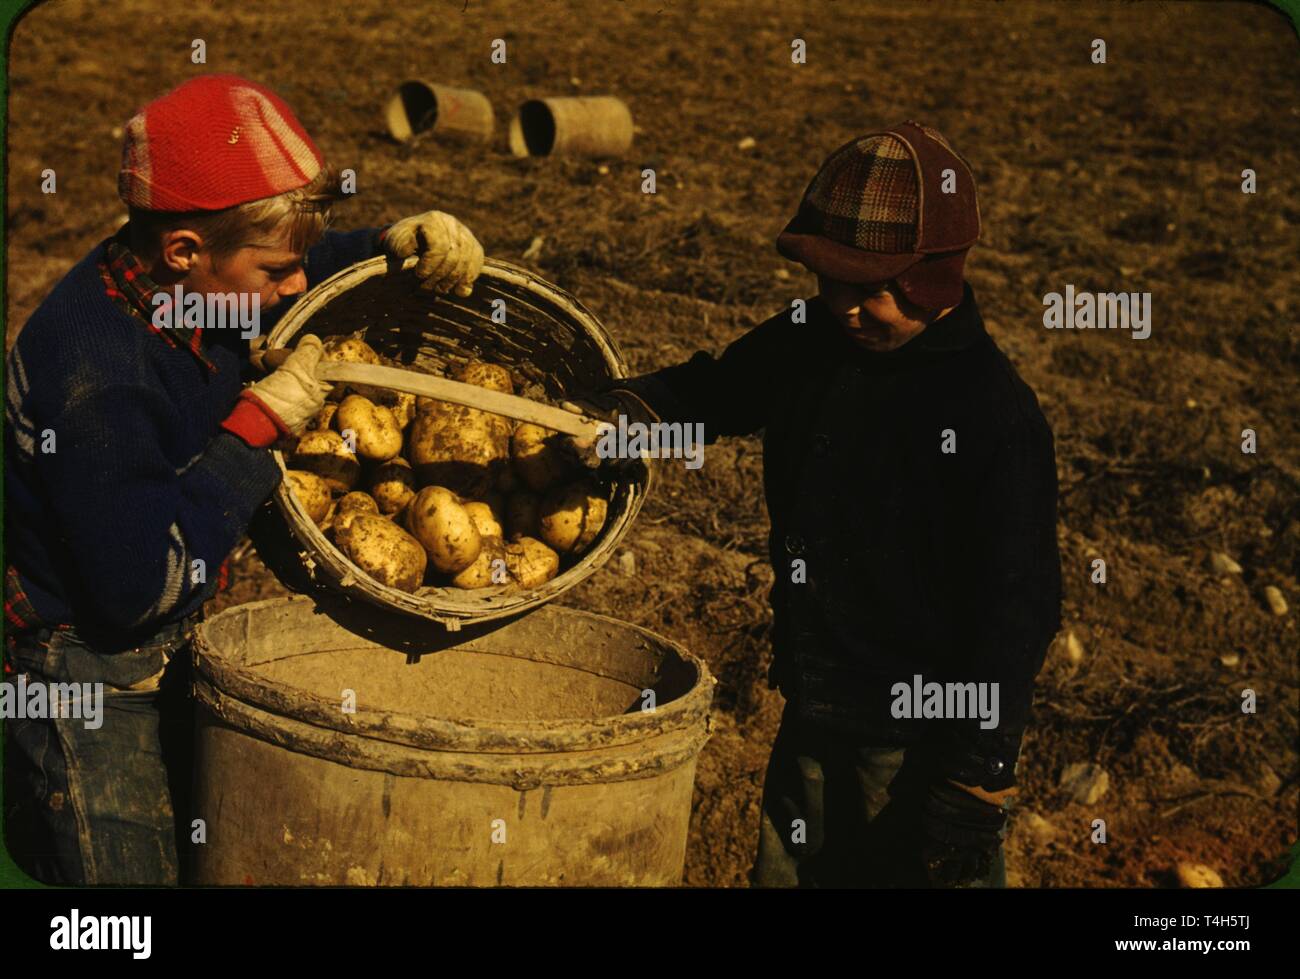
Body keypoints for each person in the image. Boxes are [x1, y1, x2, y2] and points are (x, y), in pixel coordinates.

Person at [2, 73, 484, 884]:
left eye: (298, 266)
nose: (295, 288)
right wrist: (256, 430)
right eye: (279, 272)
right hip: (80, 666)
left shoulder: (191, 282)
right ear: (184, 251)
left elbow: (284, 262)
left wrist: (386, 246)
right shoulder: (98, 378)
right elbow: (136, 591)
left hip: (165, 632)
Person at [573, 121, 1063, 887]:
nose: (843, 307)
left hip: (920, 748)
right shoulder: (811, 342)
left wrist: (977, 777)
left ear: (931, 281)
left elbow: (1017, 609)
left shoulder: (992, 417)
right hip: (816, 708)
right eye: (827, 283)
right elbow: (720, 391)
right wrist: (637, 414)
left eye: (866, 289)